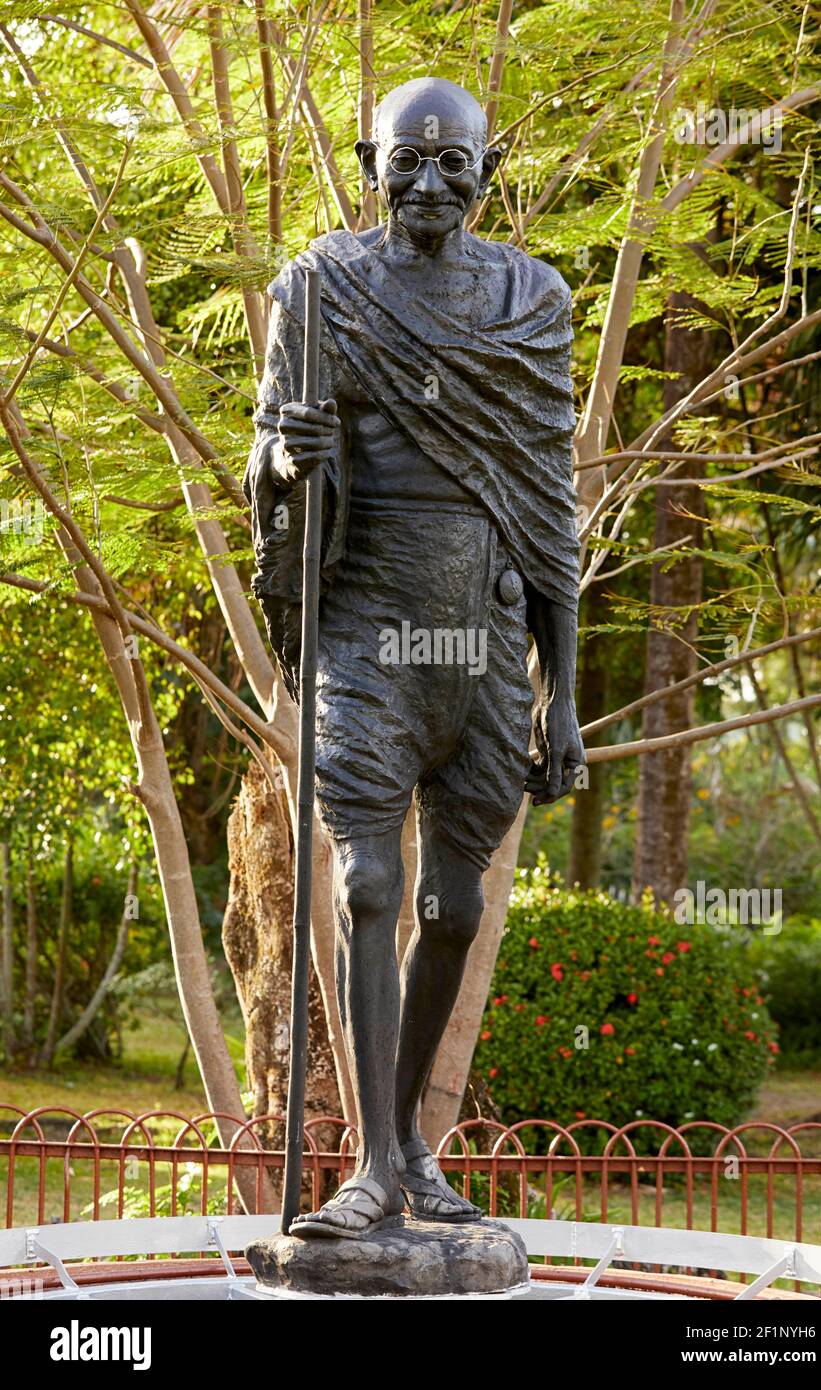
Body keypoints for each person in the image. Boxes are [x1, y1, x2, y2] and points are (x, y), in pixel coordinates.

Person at [244, 76, 585, 1238]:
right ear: (367, 158)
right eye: (409, 160)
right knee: (366, 882)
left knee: (449, 905)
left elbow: (548, 507)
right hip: (367, 631)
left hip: (486, 644)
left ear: (491, 169)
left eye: (455, 163)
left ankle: (403, 1154)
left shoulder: (532, 300)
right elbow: (270, 463)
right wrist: (284, 465)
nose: (430, 182)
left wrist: (564, 699)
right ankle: (368, 1171)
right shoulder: (319, 289)